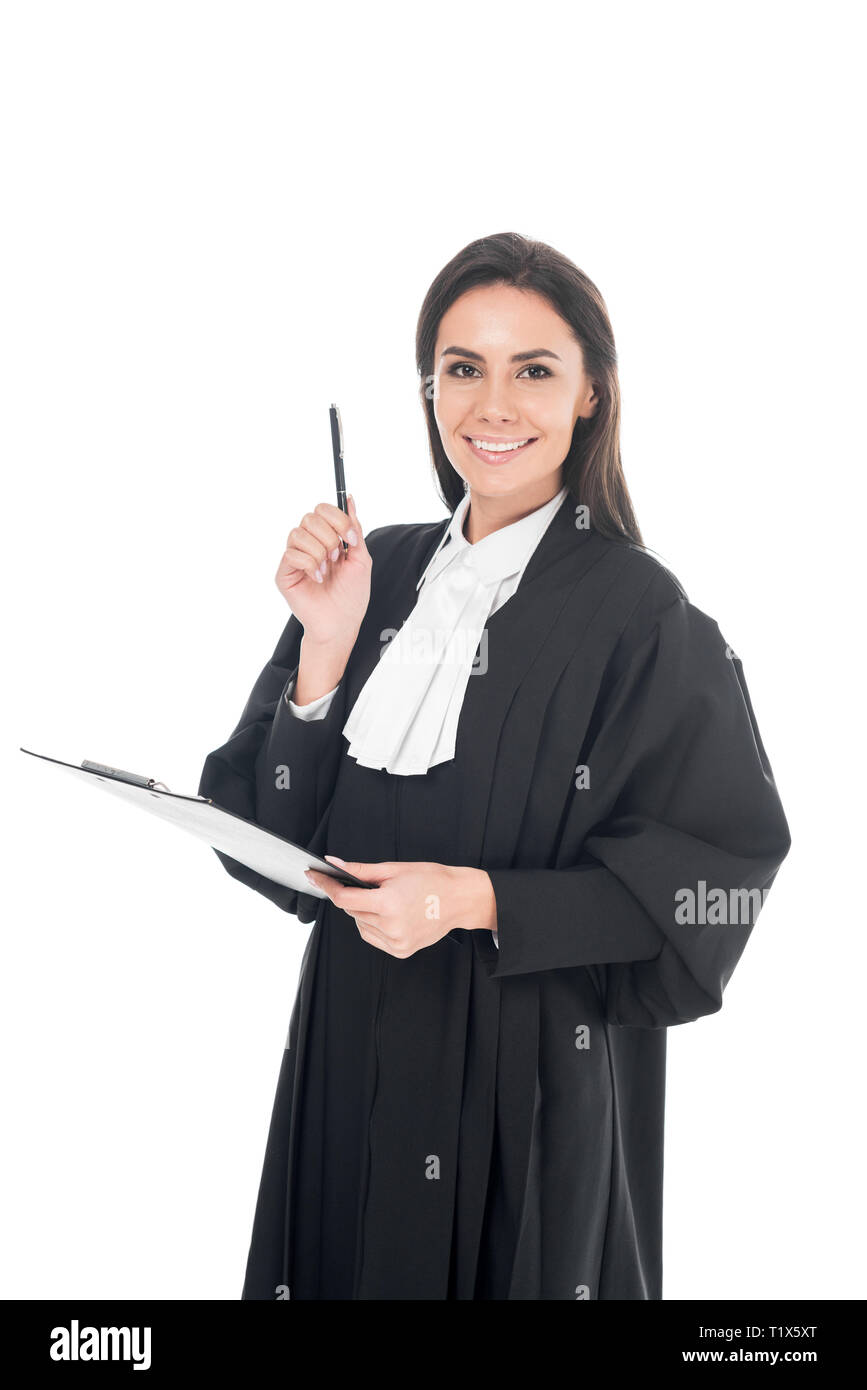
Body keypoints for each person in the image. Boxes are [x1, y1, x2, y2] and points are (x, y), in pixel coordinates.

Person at [198, 232, 791, 1300]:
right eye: (463, 368)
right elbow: (269, 846)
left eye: (534, 370)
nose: (492, 405)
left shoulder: (641, 615)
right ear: (430, 388)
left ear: (592, 395)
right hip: (350, 1057)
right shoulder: (377, 574)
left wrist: (479, 901)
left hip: (529, 1083)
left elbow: (714, 888)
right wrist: (326, 645)